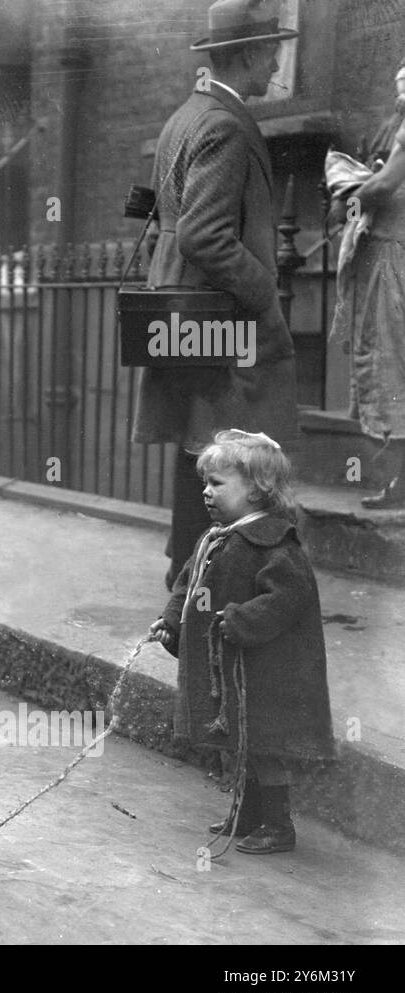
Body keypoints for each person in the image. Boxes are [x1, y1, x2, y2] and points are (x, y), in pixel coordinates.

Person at [134, 0, 300, 590]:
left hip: (185, 314)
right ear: (250, 52)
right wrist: (262, 288)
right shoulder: (226, 125)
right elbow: (205, 234)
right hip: (220, 320)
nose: (276, 66)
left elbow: (163, 222)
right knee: (237, 451)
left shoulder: (186, 115)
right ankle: (210, 584)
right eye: (272, 52)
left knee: (198, 454)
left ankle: (186, 581)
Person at [150, 430, 334, 855]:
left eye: (217, 484)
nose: (206, 492)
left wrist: (239, 620)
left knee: (265, 745)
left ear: (255, 489)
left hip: (267, 668)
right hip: (234, 666)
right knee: (240, 742)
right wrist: (171, 621)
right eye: (205, 483)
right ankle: (248, 813)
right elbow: (188, 585)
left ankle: (277, 824)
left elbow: (287, 598)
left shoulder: (274, 543)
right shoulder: (216, 538)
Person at [326, 57, 405, 509]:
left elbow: (386, 184)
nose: (399, 98)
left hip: (395, 256)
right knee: (388, 365)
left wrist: (345, 204)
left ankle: (400, 484)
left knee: (390, 364)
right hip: (390, 251)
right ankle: (398, 481)